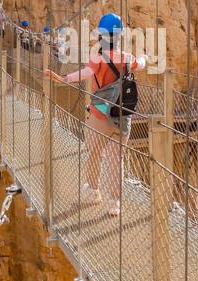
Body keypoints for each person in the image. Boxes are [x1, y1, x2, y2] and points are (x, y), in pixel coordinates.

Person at [45, 12, 145, 217]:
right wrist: (143, 58)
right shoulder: (127, 57)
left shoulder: (97, 57)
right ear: (119, 36)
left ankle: (93, 191)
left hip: (100, 114)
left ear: (101, 35)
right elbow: (141, 64)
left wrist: (64, 79)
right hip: (123, 115)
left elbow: (87, 73)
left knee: (94, 153)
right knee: (117, 160)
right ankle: (115, 203)